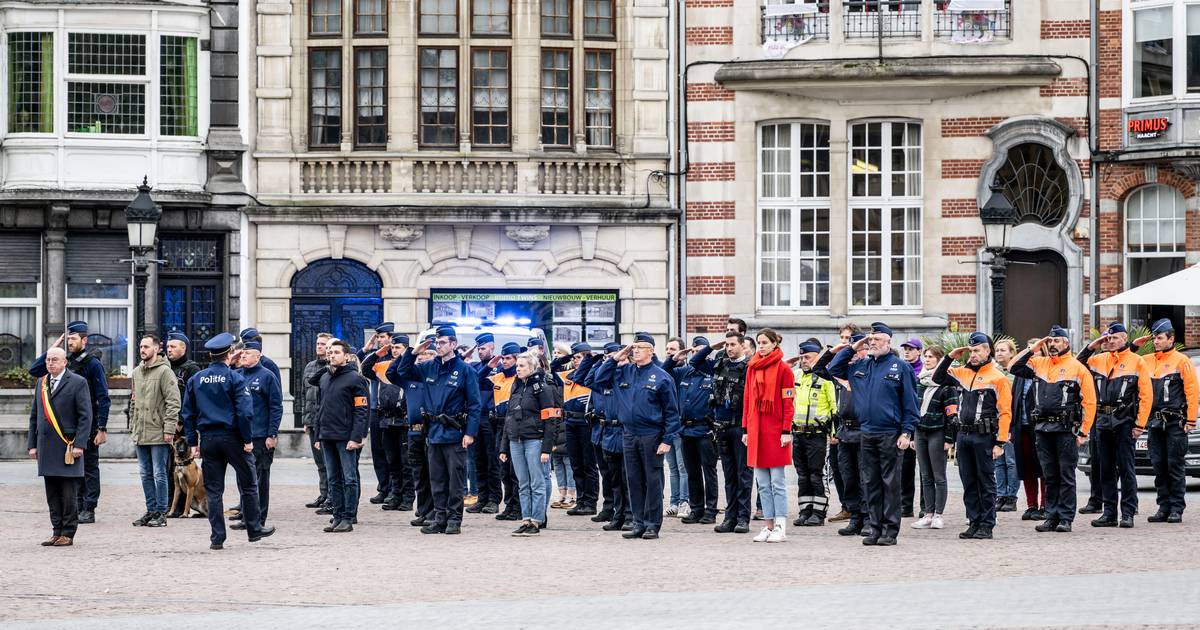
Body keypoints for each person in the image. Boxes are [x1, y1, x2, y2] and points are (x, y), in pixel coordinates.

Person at [827, 322, 920, 547]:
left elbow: (910, 402)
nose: (872, 342)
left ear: (889, 342)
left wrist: (907, 432)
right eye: (870, 339)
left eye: (877, 339)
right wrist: (852, 347)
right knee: (871, 483)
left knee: (890, 483)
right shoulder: (862, 366)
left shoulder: (900, 367)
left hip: (890, 433)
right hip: (866, 433)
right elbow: (832, 369)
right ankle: (875, 528)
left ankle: (890, 530)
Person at [181, 333, 275, 550]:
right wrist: (247, 439)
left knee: (214, 491)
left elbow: (188, 414)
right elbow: (244, 412)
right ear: (229, 354)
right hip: (233, 438)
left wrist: (194, 442)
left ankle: (217, 537)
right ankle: (254, 529)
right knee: (249, 484)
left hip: (208, 439)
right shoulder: (236, 378)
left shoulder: (197, 379)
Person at [590, 332, 682, 540]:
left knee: (652, 481)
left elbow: (671, 412)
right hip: (629, 434)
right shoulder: (625, 372)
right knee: (634, 480)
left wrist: (667, 440)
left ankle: (652, 524)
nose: (636, 350)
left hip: (652, 435)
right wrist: (616, 357)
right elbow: (598, 380)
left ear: (651, 351)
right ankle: (638, 522)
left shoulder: (661, 376)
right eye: (634, 347)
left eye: (640, 347)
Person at [390, 327, 482, 535]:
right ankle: (439, 518)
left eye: (442, 343)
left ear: (453, 344)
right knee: (437, 479)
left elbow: (475, 405)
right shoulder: (428, 367)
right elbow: (401, 372)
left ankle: (454, 520)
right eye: (436, 343)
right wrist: (412, 352)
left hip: (455, 431)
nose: (438, 346)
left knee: (455, 480)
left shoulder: (465, 371)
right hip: (433, 432)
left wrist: (470, 433)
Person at [1009, 326, 1097, 533]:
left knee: (1065, 474)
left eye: (1057, 341)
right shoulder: (1039, 363)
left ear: (1066, 343)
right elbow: (1013, 367)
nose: (1053, 344)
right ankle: (1051, 515)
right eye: (1051, 341)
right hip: (1042, 428)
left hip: (1065, 429)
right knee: (1049, 474)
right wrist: (1034, 348)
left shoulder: (1077, 367)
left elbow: (1090, 402)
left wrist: (1083, 431)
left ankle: (1065, 517)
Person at [933, 332, 1013, 540]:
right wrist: (951, 356)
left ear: (988, 351)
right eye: (971, 351)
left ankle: (987, 523)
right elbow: (937, 377)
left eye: (978, 350)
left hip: (984, 436)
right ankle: (974, 520)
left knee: (985, 481)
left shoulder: (998, 378)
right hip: (964, 435)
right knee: (968, 481)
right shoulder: (962, 373)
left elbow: (1005, 412)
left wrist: (1001, 442)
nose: (974, 354)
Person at [30, 321, 110, 525]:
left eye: (73, 339)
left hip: (87, 425)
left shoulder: (92, 363)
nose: (70, 343)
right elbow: (35, 370)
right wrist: (51, 348)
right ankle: (78, 505)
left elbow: (103, 397)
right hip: (66, 427)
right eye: (68, 339)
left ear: (85, 340)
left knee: (89, 468)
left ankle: (89, 508)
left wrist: (102, 427)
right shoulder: (65, 361)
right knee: (74, 471)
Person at [1076, 322, 1152, 529]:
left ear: (1124, 338)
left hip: (1125, 420)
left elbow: (1146, 395)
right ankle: (1109, 513)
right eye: (1108, 338)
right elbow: (1077, 365)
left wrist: (1140, 424)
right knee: (1105, 469)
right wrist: (1093, 345)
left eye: (1114, 338)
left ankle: (1128, 512)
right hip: (1102, 420)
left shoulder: (1136, 361)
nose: (1110, 342)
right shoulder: (1099, 359)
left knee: (1126, 468)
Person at [28, 347, 92, 547]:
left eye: (55, 360)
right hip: (46, 446)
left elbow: (85, 416)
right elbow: (34, 417)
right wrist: (32, 445)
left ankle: (68, 532)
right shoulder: (42, 382)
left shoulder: (78, 383)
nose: (50, 363)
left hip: (68, 446)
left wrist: (80, 444)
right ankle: (56, 530)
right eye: (48, 360)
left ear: (65, 362)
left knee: (68, 493)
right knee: (52, 493)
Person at [1137, 318, 1198, 523]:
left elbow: (1192, 392)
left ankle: (1176, 508)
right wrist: (1134, 344)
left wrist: (1190, 420)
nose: (1155, 341)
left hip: (1175, 422)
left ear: (1171, 339)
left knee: (1175, 465)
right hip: (1155, 423)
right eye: (1154, 337)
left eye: (1159, 338)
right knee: (1159, 465)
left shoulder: (1182, 361)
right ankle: (1163, 506)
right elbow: (1126, 360)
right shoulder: (1147, 360)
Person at [692, 332, 751, 534]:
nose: (729, 348)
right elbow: (695, 361)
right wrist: (712, 347)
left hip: (740, 427)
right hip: (721, 427)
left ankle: (743, 518)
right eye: (726, 345)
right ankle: (730, 517)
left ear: (743, 346)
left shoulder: (750, 367)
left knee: (743, 474)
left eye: (733, 344)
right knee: (729, 475)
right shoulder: (719, 364)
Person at [498, 354, 562, 536]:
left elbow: (551, 420)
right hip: (515, 441)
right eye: (517, 366)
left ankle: (536, 520)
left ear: (532, 368)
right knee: (523, 483)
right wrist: (504, 447)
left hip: (534, 440)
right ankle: (526, 519)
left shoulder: (542, 388)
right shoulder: (516, 387)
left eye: (522, 366)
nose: (518, 369)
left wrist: (546, 448)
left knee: (537, 482)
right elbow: (509, 418)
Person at [740, 329, 794, 543]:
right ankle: (768, 525)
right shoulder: (752, 368)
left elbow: (788, 402)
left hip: (776, 431)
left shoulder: (784, 369)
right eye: (759, 343)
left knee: (777, 482)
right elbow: (747, 400)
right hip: (756, 429)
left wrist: (786, 431)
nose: (760, 346)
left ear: (774, 344)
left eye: (764, 343)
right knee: (762, 483)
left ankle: (781, 525)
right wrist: (745, 429)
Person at [311, 339, 369, 533]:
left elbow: (362, 410)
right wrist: (318, 435)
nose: (331, 355)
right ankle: (337, 515)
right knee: (333, 478)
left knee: (349, 478)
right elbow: (320, 408)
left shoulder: (355, 378)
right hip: (326, 435)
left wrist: (357, 437)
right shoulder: (325, 377)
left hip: (346, 437)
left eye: (336, 352)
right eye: (330, 352)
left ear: (346, 356)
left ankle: (348, 517)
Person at [816, 333, 868, 536]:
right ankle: (855, 517)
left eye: (858, 347)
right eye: (852, 348)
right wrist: (833, 352)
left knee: (865, 478)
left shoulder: (867, 370)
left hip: (863, 430)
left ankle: (868, 518)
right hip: (845, 432)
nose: (855, 352)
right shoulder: (842, 372)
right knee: (849, 478)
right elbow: (819, 369)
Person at [128, 334, 181, 528]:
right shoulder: (136, 372)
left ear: (157, 349)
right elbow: (133, 402)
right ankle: (150, 511)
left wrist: (169, 429)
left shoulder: (165, 372)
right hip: (141, 432)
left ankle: (161, 512)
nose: (142, 350)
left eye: (146, 347)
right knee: (145, 473)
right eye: (141, 346)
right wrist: (132, 426)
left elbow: (174, 402)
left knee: (160, 473)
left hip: (159, 431)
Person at [665, 337, 720, 525]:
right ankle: (696, 508)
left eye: (700, 351)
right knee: (692, 472)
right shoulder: (685, 372)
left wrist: (703, 352)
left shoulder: (713, 370)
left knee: (709, 471)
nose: (695, 355)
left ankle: (711, 510)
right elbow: (664, 371)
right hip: (686, 429)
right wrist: (675, 358)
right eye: (694, 351)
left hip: (705, 429)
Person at [232, 341, 283, 532]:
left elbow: (275, 406)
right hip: (240, 435)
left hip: (261, 435)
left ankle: (259, 518)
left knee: (260, 478)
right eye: (242, 353)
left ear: (258, 356)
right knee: (243, 477)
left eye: (248, 353)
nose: (243, 356)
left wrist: (272, 433)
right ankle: (246, 516)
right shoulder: (236, 376)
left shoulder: (267, 376)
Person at [585, 342, 634, 531]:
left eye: (622, 357)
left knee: (627, 477)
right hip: (609, 433)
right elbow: (592, 380)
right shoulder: (608, 377)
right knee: (614, 478)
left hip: (625, 430)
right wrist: (609, 360)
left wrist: (621, 360)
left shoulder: (631, 374)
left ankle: (630, 515)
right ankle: (619, 515)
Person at [790, 339, 836, 527]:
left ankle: (819, 512)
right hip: (798, 433)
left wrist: (834, 434)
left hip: (818, 434)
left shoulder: (825, 379)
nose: (804, 360)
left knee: (817, 475)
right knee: (802, 474)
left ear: (817, 358)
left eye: (807, 357)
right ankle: (805, 510)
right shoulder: (796, 375)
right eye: (801, 357)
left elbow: (834, 407)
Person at [911, 346, 957, 531]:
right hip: (920, 431)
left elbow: (951, 414)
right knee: (925, 475)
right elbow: (914, 407)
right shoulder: (920, 381)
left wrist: (949, 438)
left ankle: (939, 514)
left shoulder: (947, 384)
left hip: (937, 432)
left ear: (939, 360)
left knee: (939, 475)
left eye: (931, 357)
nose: (927, 359)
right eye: (926, 356)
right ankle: (928, 513)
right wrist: (912, 433)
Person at [556, 341, 600, 517]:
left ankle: (590, 502)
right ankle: (580, 500)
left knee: (588, 464)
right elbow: (551, 369)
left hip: (586, 424)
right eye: (573, 358)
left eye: (579, 357)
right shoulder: (568, 375)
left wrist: (588, 360)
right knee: (576, 464)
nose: (575, 361)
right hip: (570, 423)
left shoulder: (592, 375)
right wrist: (566, 356)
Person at [827, 324, 862, 522]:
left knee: (861, 476)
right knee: (844, 474)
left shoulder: (862, 366)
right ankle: (850, 511)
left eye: (850, 339)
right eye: (843, 338)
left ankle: (863, 516)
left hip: (861, 429)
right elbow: (825, 369)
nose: (845, 342)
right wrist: (838, 351)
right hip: (842, 429)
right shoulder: (841, 367)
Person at [465, 332, 503, 514]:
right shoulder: (474, 367)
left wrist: (490, 368)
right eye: (478, 348)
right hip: (475, 417)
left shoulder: (501, 368)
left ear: (492, 347)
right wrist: (486, 367)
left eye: (483, 348)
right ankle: (482, 497)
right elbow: (472, 381)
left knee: (492, 460)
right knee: (477, 460)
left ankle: (494, 499)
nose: (480, 351)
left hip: (490, 418)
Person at [359, 322, 396, 505]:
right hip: (375, 409)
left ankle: (393, 489)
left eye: (382, 337)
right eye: (378, 337)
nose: (380, 340)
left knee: (392, 453)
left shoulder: (396, 355)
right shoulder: (376, 358)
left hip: (391, 411)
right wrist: (367, 350)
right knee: (378, 451)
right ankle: (383, 488)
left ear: (390, 337)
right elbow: (359, 367)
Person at [164, 331, 200, 517]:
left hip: (183, 427)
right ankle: (170, 504)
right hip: (164, 424)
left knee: (183, 467)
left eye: (173, 346)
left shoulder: (191, 369)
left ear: (183, 348)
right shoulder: (163, 367)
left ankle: (180, 506)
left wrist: (181, 420)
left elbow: (192, 398)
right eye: (168, 346)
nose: (169, 349)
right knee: (168, 467)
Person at [1011, 338, 1047, 521]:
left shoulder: (1044, 373)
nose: (1032, 354)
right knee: (1027, 467)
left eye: (1036, 351)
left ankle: (1045, 505)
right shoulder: (1020, 376)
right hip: (1021, 427)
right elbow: (1013, 401)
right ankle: (1031, 504)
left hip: (1039, 427)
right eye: (1029, 350)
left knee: (1042, 466)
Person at [487, 343, 523, 521]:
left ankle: (518, 507)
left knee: (515, 470)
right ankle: (509, 505)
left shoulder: (521, 377)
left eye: (508, 358)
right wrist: (491, 365)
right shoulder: (498, 377)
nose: (505, 361)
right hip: (500, 426)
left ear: (517, 359)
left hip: (515, 425)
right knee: (503, 469)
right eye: (503, 358)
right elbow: (477, 381)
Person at [406, 338, 437, 527]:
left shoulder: (434, 379)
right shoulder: (412, 377)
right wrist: (412, 353)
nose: (424, 357)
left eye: (429, 354)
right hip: (414, 432)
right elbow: (395, 372)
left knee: (434, 474)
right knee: (419, 475)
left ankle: (435, 511)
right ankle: (424, 511)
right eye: (422, 354)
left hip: (431, 431)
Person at [301, 334, 333, 511]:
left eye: (323, 344)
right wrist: (306, 420)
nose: (319, 347)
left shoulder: (332, 368)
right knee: (320, 463)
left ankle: (331, 497)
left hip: (327, 422)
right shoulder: (310, 367)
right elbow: (305, 395)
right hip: (313, 421)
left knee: (330, 463)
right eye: (318, 344)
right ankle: (323, 493)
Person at [662, 337, 690, 518]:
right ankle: (674, 501)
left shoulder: (684, 371)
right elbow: (664, 368)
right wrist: (671, 359)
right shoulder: (665, 370)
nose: (668, 352)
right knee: (672, 466)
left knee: (682, 466)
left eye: (672, 349)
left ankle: (684, 501)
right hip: (666, 426)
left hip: (679, 425)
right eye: (667, 349)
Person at [992, 339, 1021, 513]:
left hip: (1010, 421)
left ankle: (1012, 496)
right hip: (994, 421)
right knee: (998, 461)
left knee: (1011, 461)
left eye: (1003, 350)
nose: (999, 353)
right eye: (997, 350)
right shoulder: (994, 372)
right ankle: (1000, 494)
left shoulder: (1016, 374)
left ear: (1012, 353)